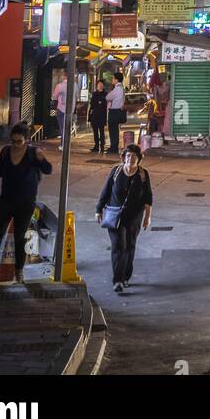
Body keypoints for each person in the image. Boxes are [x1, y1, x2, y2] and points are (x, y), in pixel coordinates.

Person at [0, 124, 52, 283]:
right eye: (13, 141)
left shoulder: (33, 153)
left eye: (19, 141)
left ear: (26, 140)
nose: (15, 144)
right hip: (6, 200)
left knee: (20, 237)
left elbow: (48, 170)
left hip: (26, 203)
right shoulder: (6, 152)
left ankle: (19, 272)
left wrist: (42, 160)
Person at [95, 144, 153, 293]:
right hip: (115, 216)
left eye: (134, 156)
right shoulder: (116, 171)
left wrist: (147, 217)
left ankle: (126, 276)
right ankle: (118, 280)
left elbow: (148, 197)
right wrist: (98, 209)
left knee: (130, 246)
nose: (130, 158)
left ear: (139, 159)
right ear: (123, 157)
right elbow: (106, 190)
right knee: (119, 246)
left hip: (134, 217)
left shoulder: (143, 174)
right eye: (128, 156)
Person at [106, 72, 126, 155]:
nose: (112, 80)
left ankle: (113, 147)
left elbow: (107, 97)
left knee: (113, 130)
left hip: (114, 111)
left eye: (113, 78)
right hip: (119, 111)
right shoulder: (122, 88)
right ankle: (114, 146)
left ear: (117, 80)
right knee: (115, 130)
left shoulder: (117, 89)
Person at [88, 80, 108, 153]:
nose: (100, 85)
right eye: (99, 84)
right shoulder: (94, 93)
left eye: (101, 84)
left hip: (102, 115)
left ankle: (102, 146)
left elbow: (105, 104)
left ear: (103, 85)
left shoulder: (105, 94)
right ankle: (96, 146)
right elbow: (92, 104)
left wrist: (100, 102)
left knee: (101, 131)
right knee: (95, 131)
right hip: (95, 114)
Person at [51, 76, 67, 141]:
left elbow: (54, 96)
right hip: (71, 109)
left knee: (62, 127)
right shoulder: (75, 85)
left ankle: (63, 143)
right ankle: (65, 142)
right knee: (67, 126)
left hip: (61, 108)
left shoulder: (59, 86)